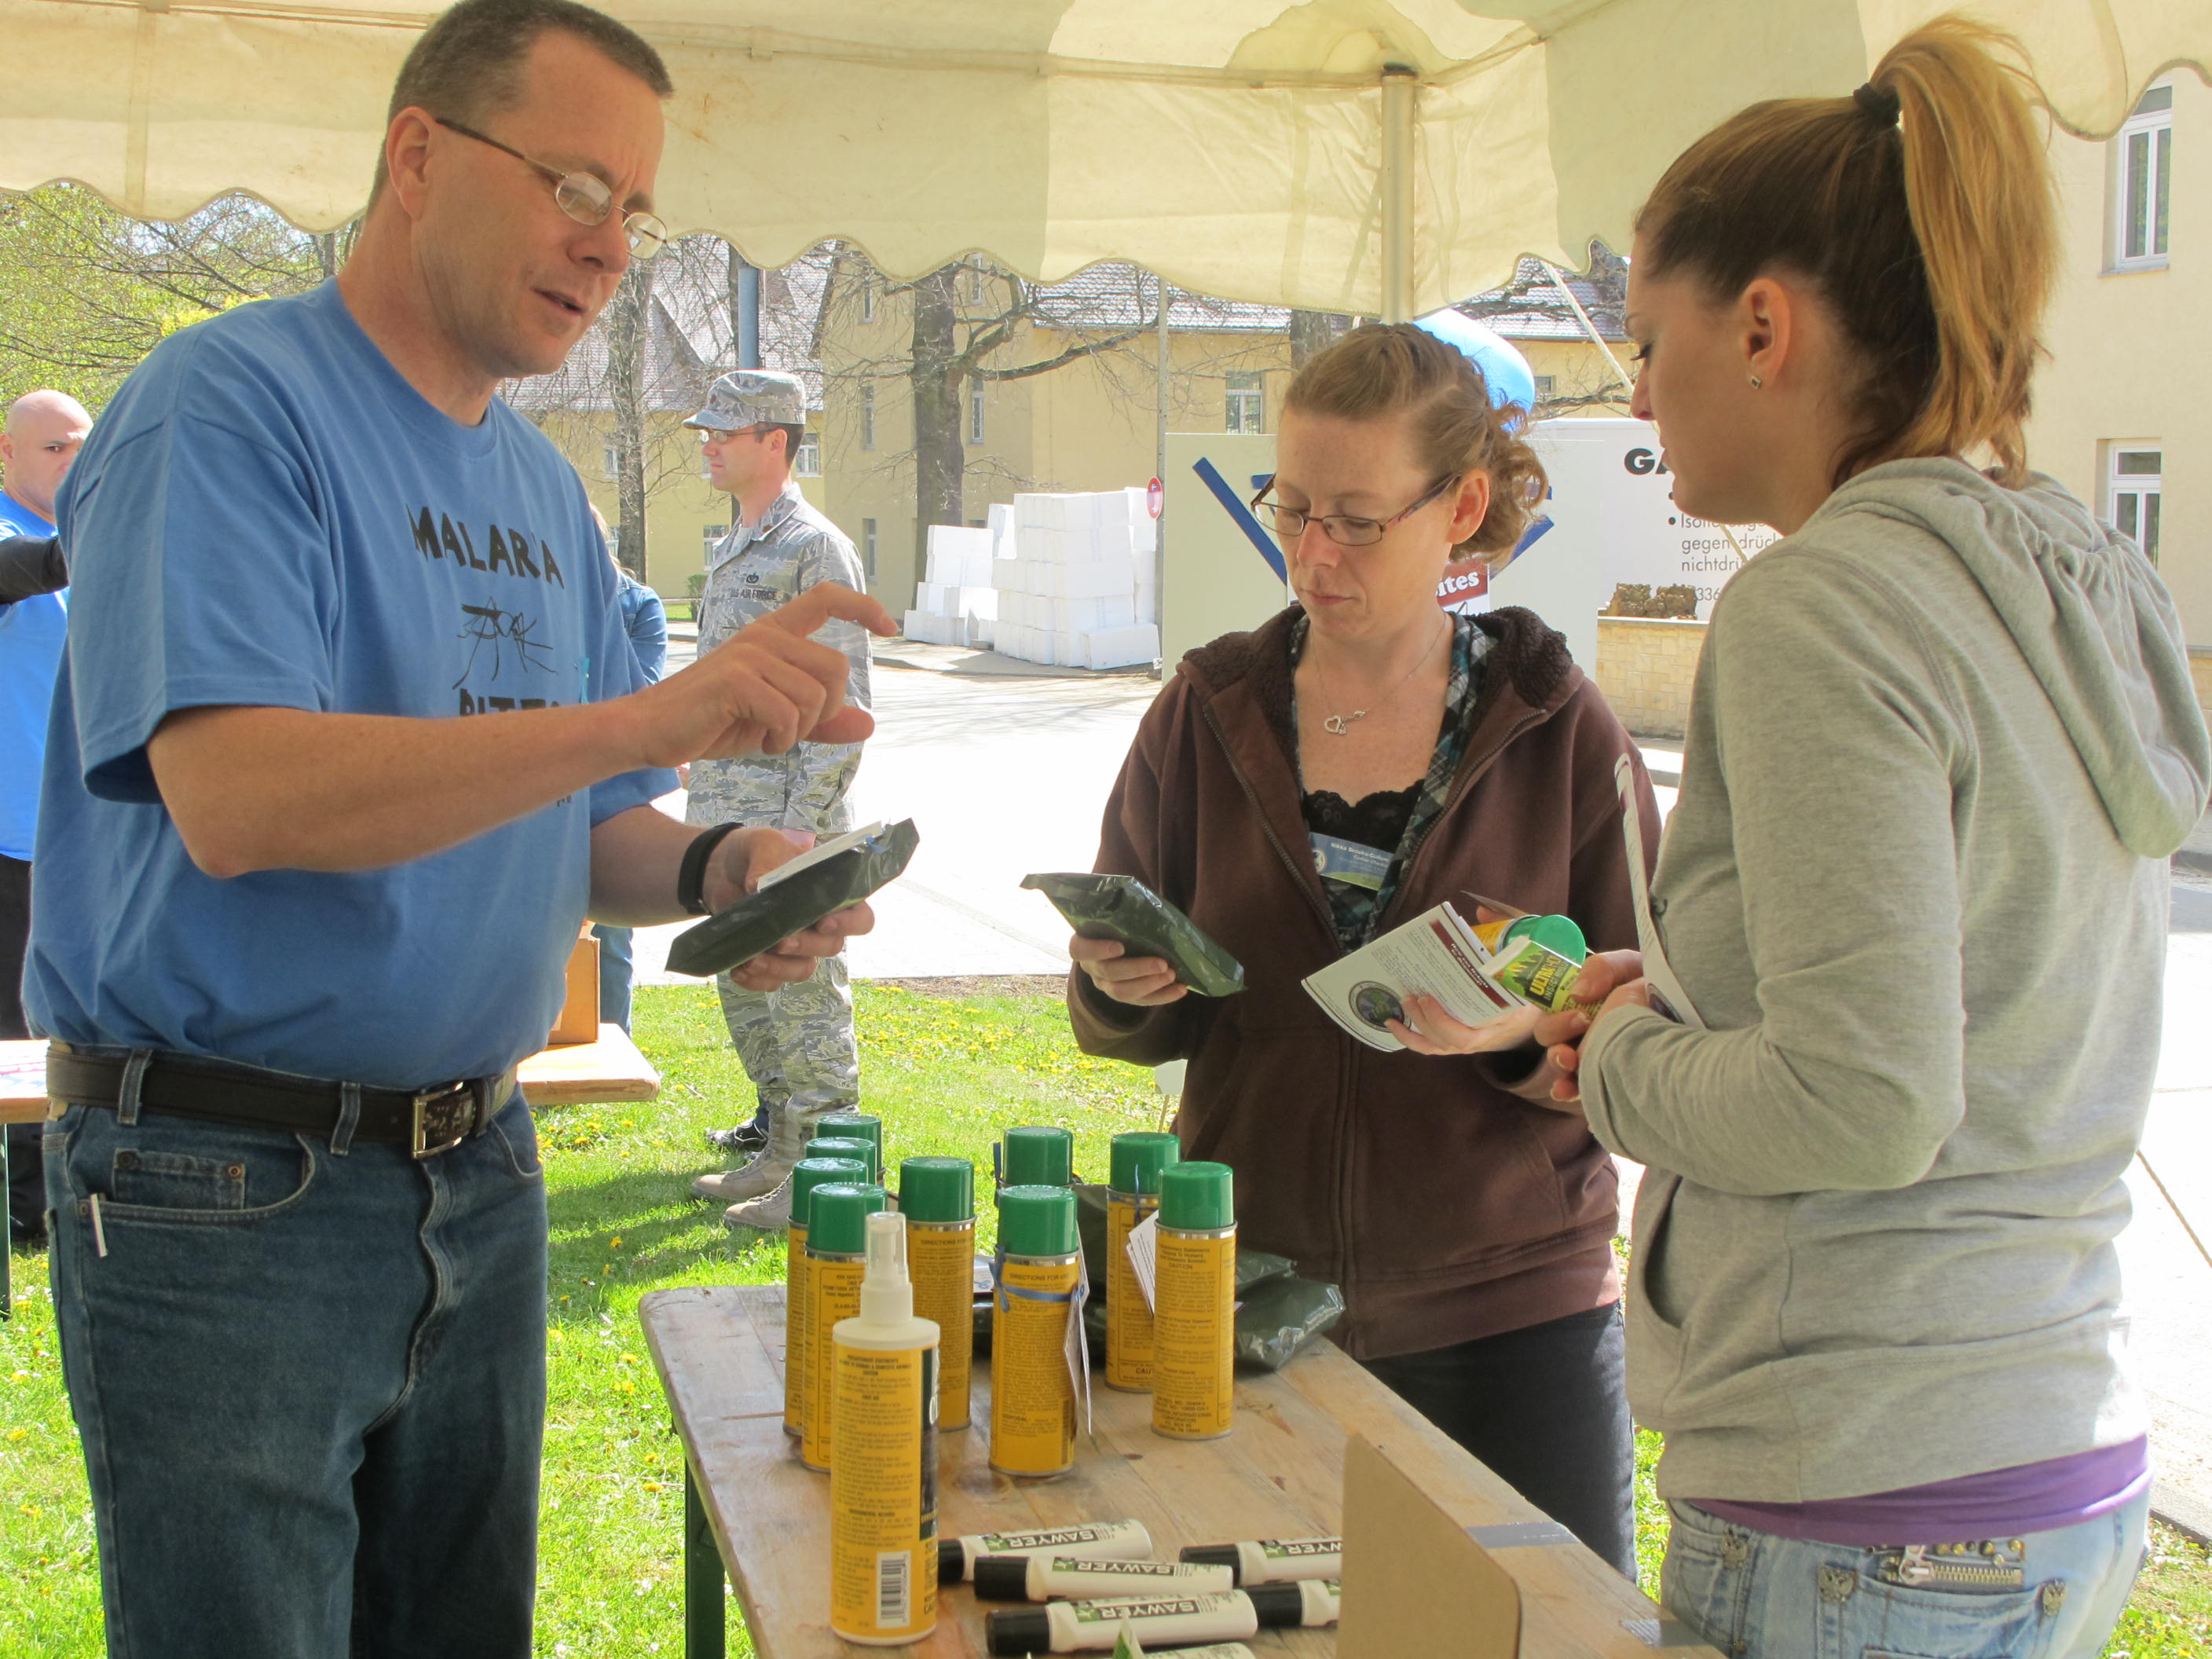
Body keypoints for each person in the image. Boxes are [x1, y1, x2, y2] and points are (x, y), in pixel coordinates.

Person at [28, 3, 893, 1654]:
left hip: (474, 1173)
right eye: (576, 183)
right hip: (226, 1189)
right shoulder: (225, 411)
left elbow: (566, 826)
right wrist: (648, 720)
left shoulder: (539, 497)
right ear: (415, 157)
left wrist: (722, 870)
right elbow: (240, 796)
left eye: (635, 209)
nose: (610, 245)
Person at [1532, 20, 2212, 1658]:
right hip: (2056, 1458)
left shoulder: (1819, 607)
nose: (1634, 392)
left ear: (1761, 325)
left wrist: (1618, 1056)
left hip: (1863, 1500)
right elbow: (1956, 992)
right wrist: (1693, 1002)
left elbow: (1868, 1095)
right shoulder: (2072, 573)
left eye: (1646, 337)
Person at [1065, 322, 1661, 1577]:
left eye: (1357, 519)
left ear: (1465, 509)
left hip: (1511, 1317)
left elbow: (1650, 1030)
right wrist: (1119, 985)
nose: (1313, 555)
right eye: (1291, 510)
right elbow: (1129, 1006)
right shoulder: (1206, 710)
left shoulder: (1558, 727)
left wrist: (1521, 1034)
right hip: (1249, 1295)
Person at [681, 368, 871, 1231]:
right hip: (724, 815)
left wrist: (809, 823)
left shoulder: (814, 548)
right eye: (707, 429)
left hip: (788, 822)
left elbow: (847, 707)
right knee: (744, 988)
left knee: (803, 993)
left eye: (727, 430)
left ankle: (829, 1170)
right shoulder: (732, 544)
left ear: (776, 443)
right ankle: (782, 1151)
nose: (709, 443)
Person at [0, 390, 89, 1242]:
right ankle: (26, 1208)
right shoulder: (20, 543)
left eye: (83, 449)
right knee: (14, 1033)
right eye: (57, 449)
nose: (73, 462)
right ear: (8, 451)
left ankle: (56, 1183)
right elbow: (19, 570)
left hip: (78, 831)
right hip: (7, 836)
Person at [587, 503, 669, 1033]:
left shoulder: (638, 604)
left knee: (612, 929)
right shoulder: (551, 599)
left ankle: (612, 1038)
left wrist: (600, 607)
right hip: (552, 769)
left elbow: (642, 691)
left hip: (613, 780)